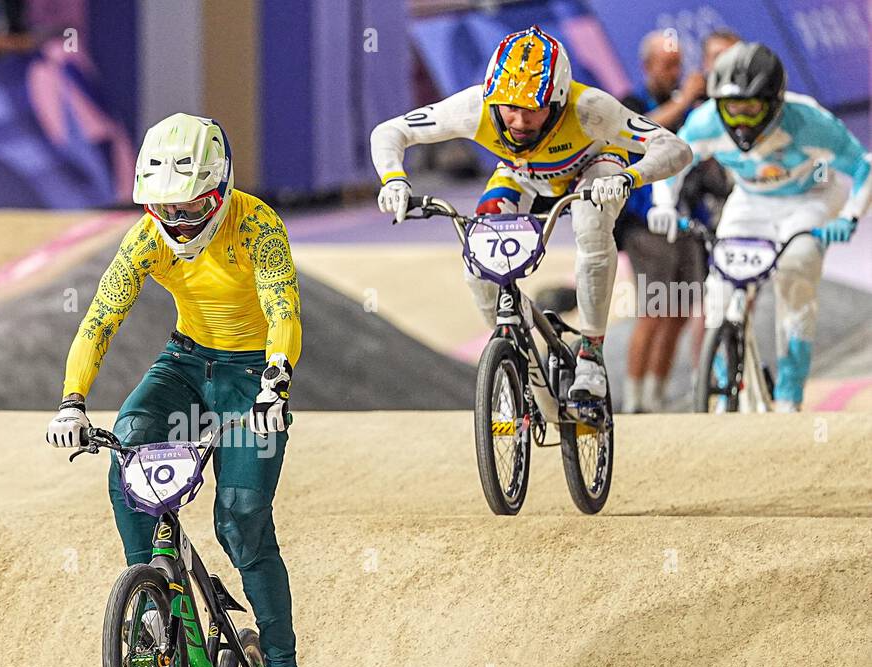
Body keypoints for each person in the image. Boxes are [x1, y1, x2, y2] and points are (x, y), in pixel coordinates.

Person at [45, 113, 305, 667]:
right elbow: (101, 319)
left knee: (241, 519)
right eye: (166, 210)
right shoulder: (146, 236)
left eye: (192, 209)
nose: (179, 222)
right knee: (127, 449)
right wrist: (73, 400)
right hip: (185, 363)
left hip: (250, 377)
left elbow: (282, 310)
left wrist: (275, 384)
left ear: (222, 189)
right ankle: (151, 605)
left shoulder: (258, 224)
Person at [372, 25, 692, 400]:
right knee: (477, 267)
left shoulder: (589, 108)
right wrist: (394, 179)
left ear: (558, 100)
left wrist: (629, 176)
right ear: (494, 96)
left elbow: (674, 148)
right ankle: (512, 352)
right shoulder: (476, 106)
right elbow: (389, 132)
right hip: (522, 176)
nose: (520, 122)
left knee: (592, 225)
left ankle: (591, 356)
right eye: (511, 109)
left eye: (534, 110)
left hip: (592, 170)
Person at [648, 41, 871, 411]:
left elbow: (862, 166)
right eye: (731, 108)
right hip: (751, 200)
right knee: (719, 290)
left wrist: (849, 216)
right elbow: (670, 160)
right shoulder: (706, 121)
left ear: (774, 102)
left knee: (795, 271)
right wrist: (663, 205)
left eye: (751, 108)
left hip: (810, 199)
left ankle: (788, 395)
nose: (740, 119)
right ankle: (722, 386)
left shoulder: (809, 122)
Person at [615, 29, 710, 413]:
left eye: (679, 66)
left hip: (686, 223)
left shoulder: (688, 106)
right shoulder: (630, 102)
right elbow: (643, 134)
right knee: (653, 312)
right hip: (646, 226)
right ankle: (633, 400)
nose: (675, 72)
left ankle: (656, 394)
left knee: (680, 311)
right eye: (667, 65)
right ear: (647, 66)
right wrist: (686, 98)